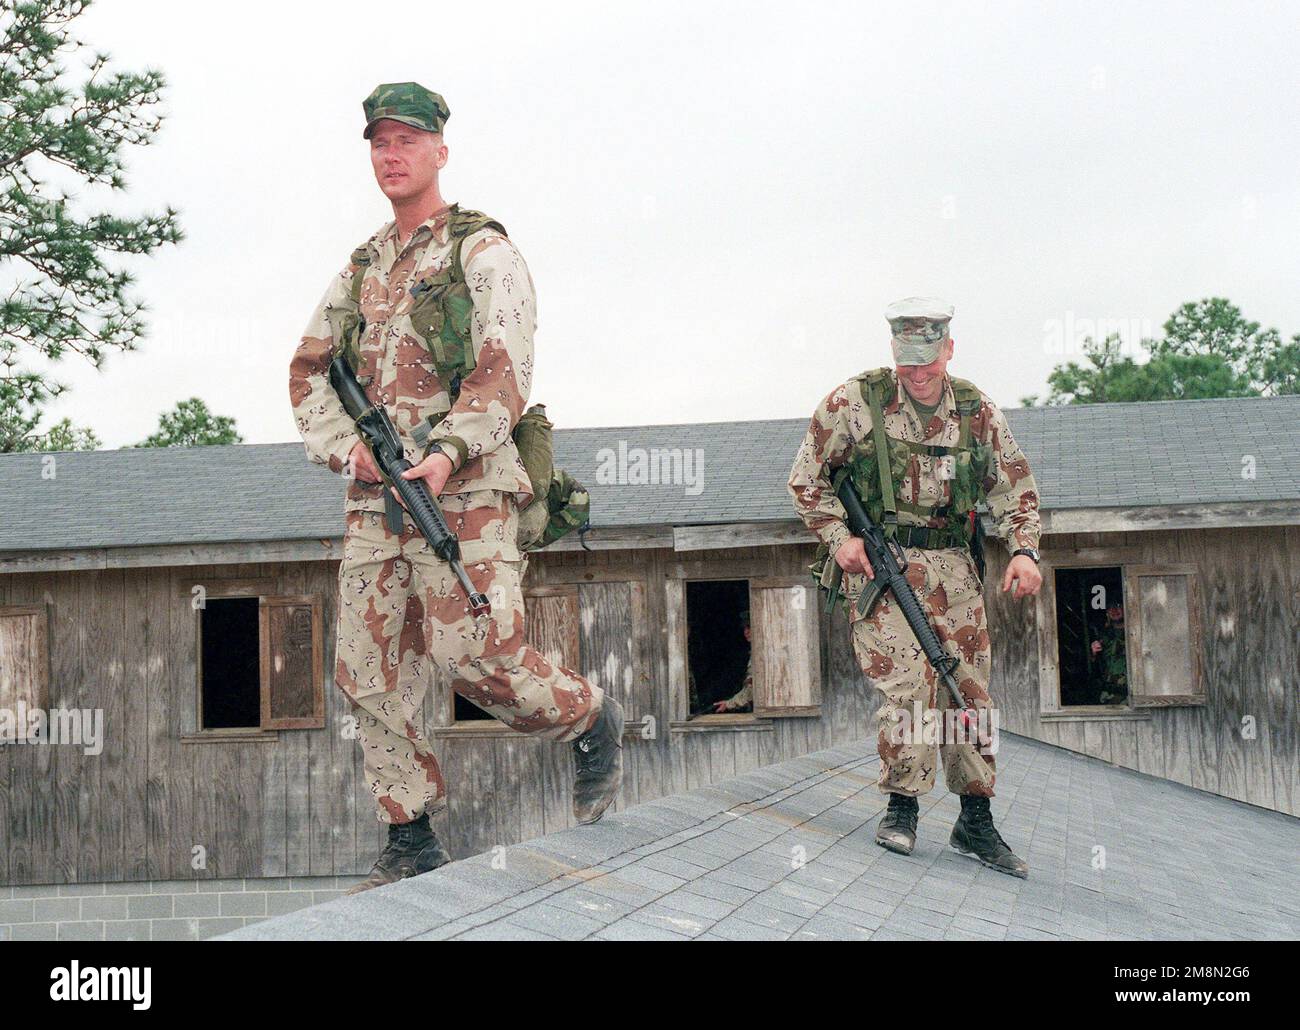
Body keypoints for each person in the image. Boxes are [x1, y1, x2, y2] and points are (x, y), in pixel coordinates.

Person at [289, 82, 623, 894]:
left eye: (407, 140)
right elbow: (307, 371)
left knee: (473, 656)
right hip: (377, 506)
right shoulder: (362, 267)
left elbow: (504, 370)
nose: (391, 154)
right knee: (366, 668)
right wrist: (348, 453)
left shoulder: (482, 251)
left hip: (464, 494)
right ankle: (410, 835)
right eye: (378, 141)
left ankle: (586, 715)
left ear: (441, 149)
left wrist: (442, 454)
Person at [788, 297, 1042, 878]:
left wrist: (1025, 550)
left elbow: (1014, 490)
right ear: (894, 354)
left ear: (949, 350)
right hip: (881, 568)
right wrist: (838, 539)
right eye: (908, 364)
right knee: (910, 684)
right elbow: (807, 480)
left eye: (929, 363)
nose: (919, 375)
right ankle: (902, 806)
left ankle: (975, 821)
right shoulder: (856, 402)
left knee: (967, 689)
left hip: (955, 570)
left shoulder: (978, 412)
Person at [713, 611, 754, 713]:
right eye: (744, 628)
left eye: (749, 627)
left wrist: (729, 704)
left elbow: (753, 689)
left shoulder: (762, 654)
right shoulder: (755, 652)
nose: (746, 632)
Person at [1092, 602, 1128, 704]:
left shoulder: (1134, 631)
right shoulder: (1103, 634)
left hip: (1131, 691)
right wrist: (1094, 653)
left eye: (1118, 606)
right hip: (1109, 691)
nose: (1114, 610)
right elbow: (1095, 666)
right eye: (1110, 607)